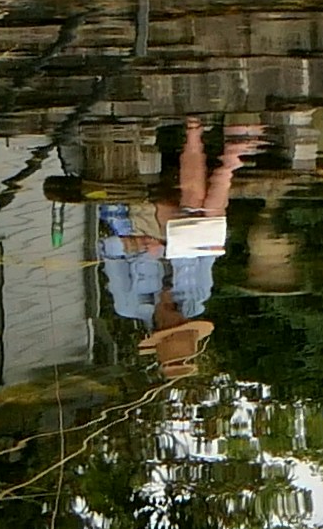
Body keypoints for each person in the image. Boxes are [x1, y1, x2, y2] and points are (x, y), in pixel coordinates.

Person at [97, 116, 264, 372]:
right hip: (186, 229)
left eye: (179, 322)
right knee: (198, 207)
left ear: (163, 328)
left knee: (194, 204)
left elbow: (106, 249)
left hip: (144, 229)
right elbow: (207, 257)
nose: (184, 316)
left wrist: (136, 244)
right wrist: (208, 240)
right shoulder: (198, 299)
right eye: (186, 322)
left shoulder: (128, 304)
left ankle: (218, 152)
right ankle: (212, 147)